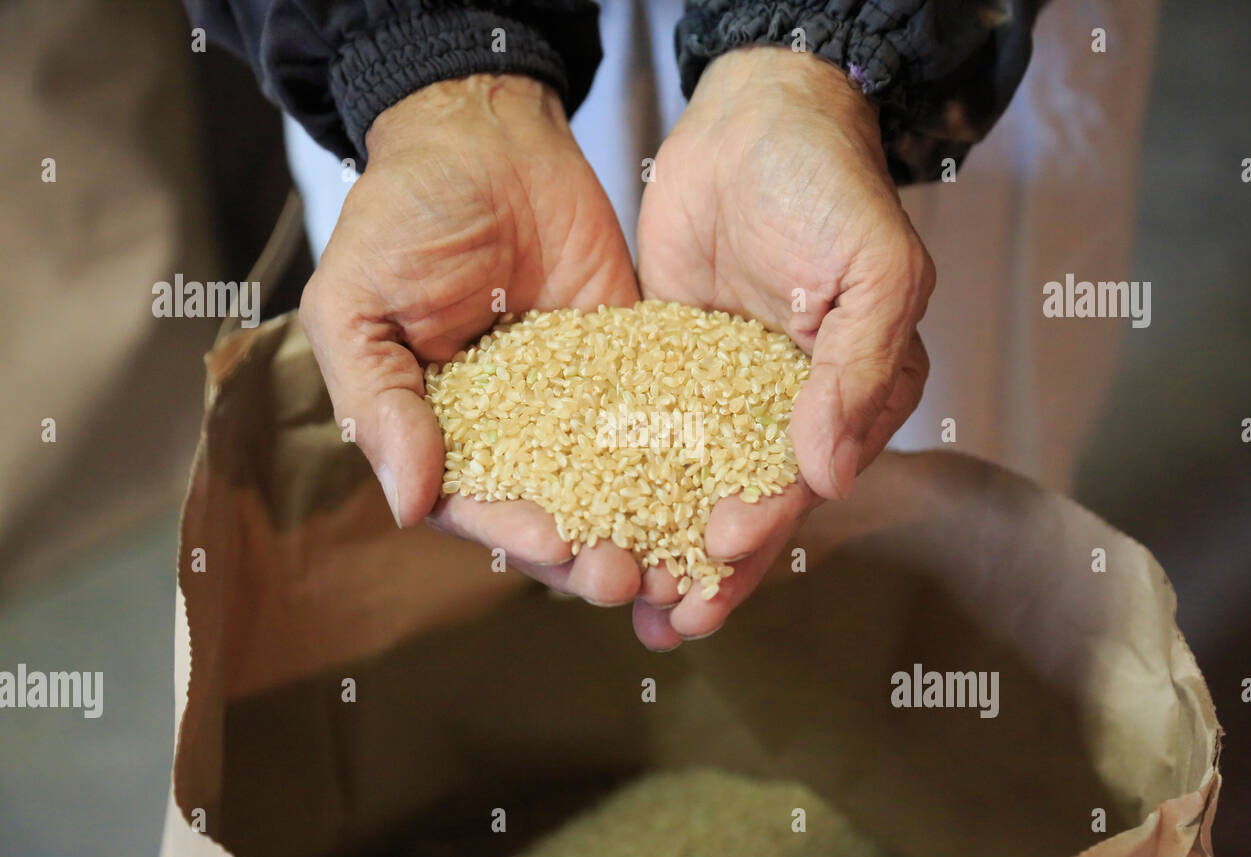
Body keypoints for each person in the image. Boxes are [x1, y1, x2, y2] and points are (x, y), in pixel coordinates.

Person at [185, 0, 1051, 648]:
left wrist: (816, 60)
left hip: (904, 63)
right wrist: (433, 74)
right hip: (422, 101)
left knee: (927, 517)